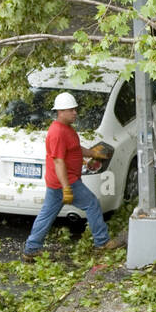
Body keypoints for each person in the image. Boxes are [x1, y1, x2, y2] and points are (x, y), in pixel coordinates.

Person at [22, 91, 127, 259]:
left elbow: (75, 149)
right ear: (60, 112)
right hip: (65, 182)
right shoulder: (57, 133)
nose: (75, 113)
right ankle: (102, 242)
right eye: (71, 110)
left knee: (46, 215)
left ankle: (31, 249)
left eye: (75, 109)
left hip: (60, 182)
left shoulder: (67, 129)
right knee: (92, 204)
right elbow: (58, 161)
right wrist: (66, 188)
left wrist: (92, 153)